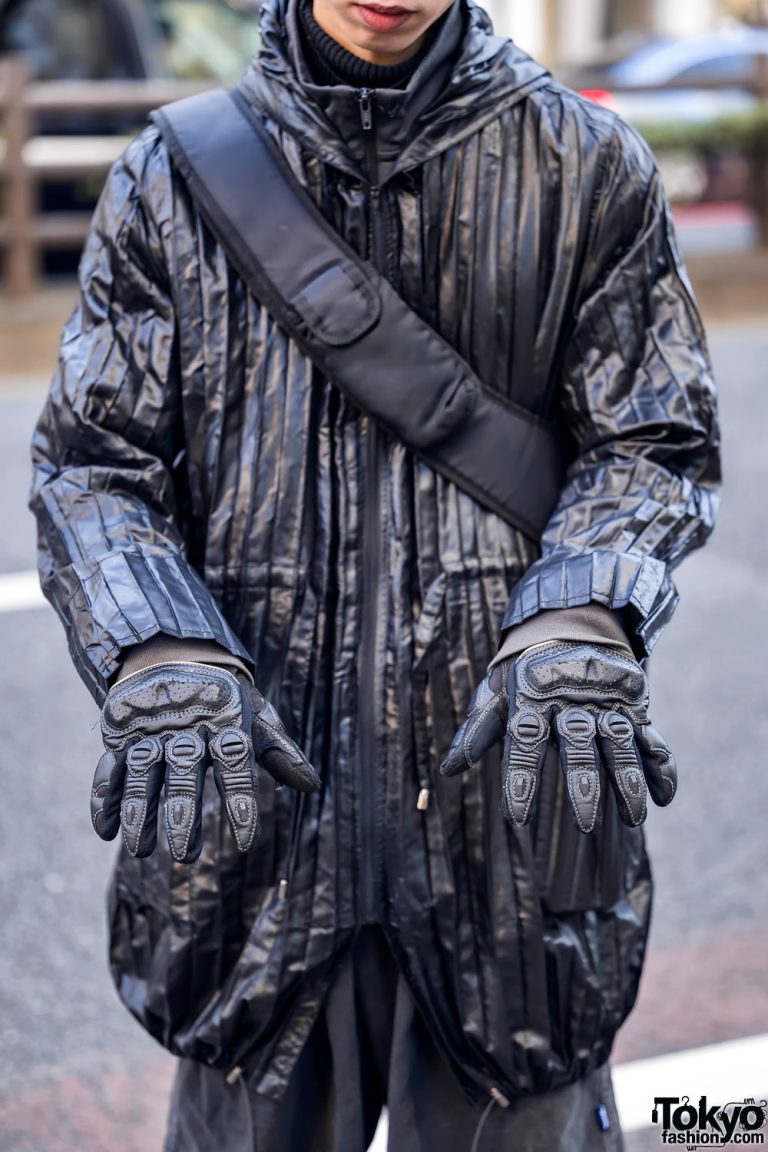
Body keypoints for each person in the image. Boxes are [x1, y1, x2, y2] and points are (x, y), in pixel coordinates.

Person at [29, 0, 721, 1148]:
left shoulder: (588, 162)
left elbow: (652, 441)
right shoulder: (172, 175)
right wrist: (160, 644)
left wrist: (582, 616)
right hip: (249, 829)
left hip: (514, 830)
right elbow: (96, 464)